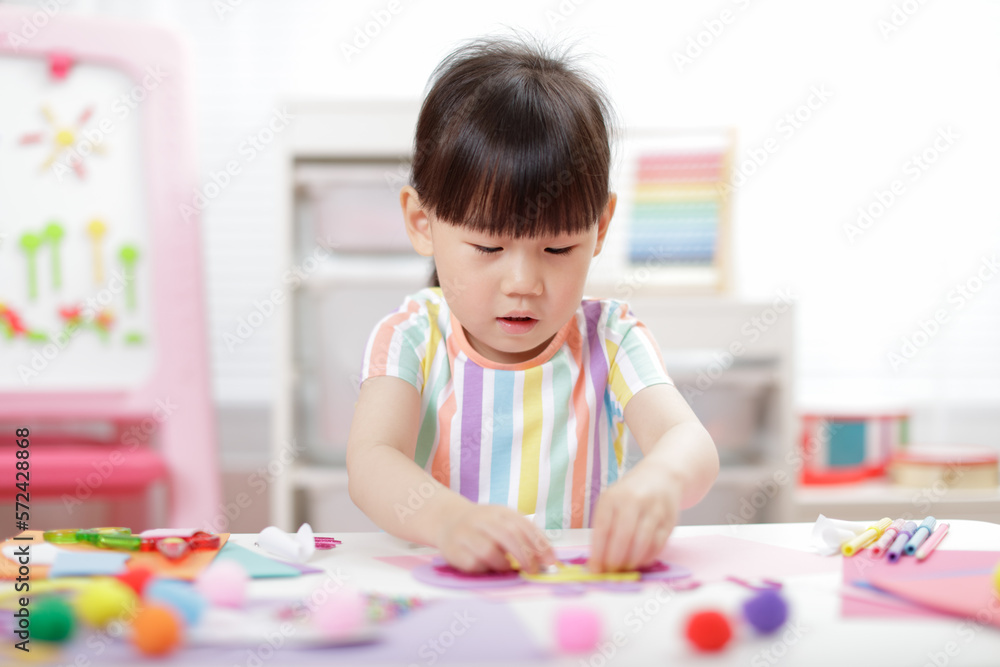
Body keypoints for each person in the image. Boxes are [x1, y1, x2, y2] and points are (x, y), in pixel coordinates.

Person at [346, 35, 719, 574]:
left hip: (577, 598)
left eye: (558, 248)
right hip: (449, 596)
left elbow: (688, 441)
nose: (523, 282)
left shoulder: (611, 339)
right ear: (422, 223)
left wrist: (660, 480)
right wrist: (448, 520)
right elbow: (371, 462)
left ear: (600, 229)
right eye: (489, 247)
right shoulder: (411, 336)